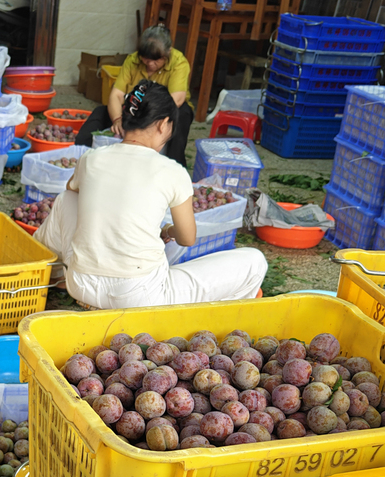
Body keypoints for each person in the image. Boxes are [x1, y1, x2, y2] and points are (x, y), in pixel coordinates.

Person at [36, 81, 267, 309]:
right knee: (255, 261)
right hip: (140, 297)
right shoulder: (172, 171)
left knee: (65, 199)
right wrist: (167, 231)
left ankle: (46, 273)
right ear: (163, 124)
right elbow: (187, 238)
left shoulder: (91, 158)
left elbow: (71, 191)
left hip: (81, 284)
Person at [74, 26, 194, 167]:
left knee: (181, 116)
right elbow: (116, 94)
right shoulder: (132, 60)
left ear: (167, 53)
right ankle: (81, 157)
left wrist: (147, 123)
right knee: (100, 112)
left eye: (156, 60)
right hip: (133, 108)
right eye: (146, 59)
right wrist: (118, 119)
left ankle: (176, 165)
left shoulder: (178, 63)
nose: (150, 64)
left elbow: (176, 99)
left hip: (160, 113)